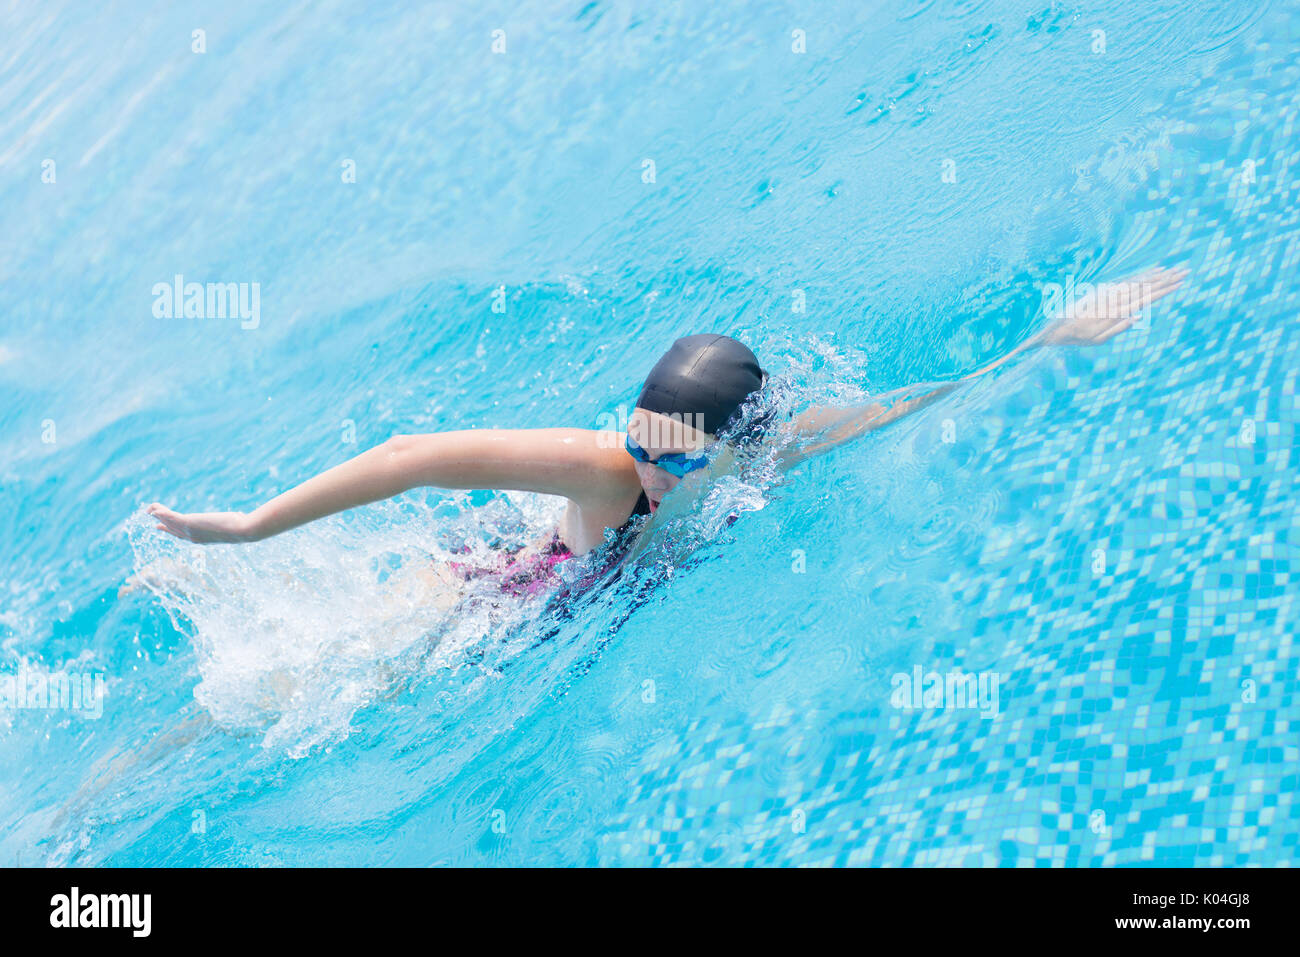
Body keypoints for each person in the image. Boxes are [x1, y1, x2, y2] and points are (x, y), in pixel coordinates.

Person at [144, 267, 1186, 596]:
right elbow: (410, 458)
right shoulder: (607, 472)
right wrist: (245, 529)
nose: (650, 463)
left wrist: (1051, 339)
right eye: (639, 435)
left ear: (732, 441)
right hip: (496, 604)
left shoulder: (771, 444)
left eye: (674, 453)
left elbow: (911, 403)